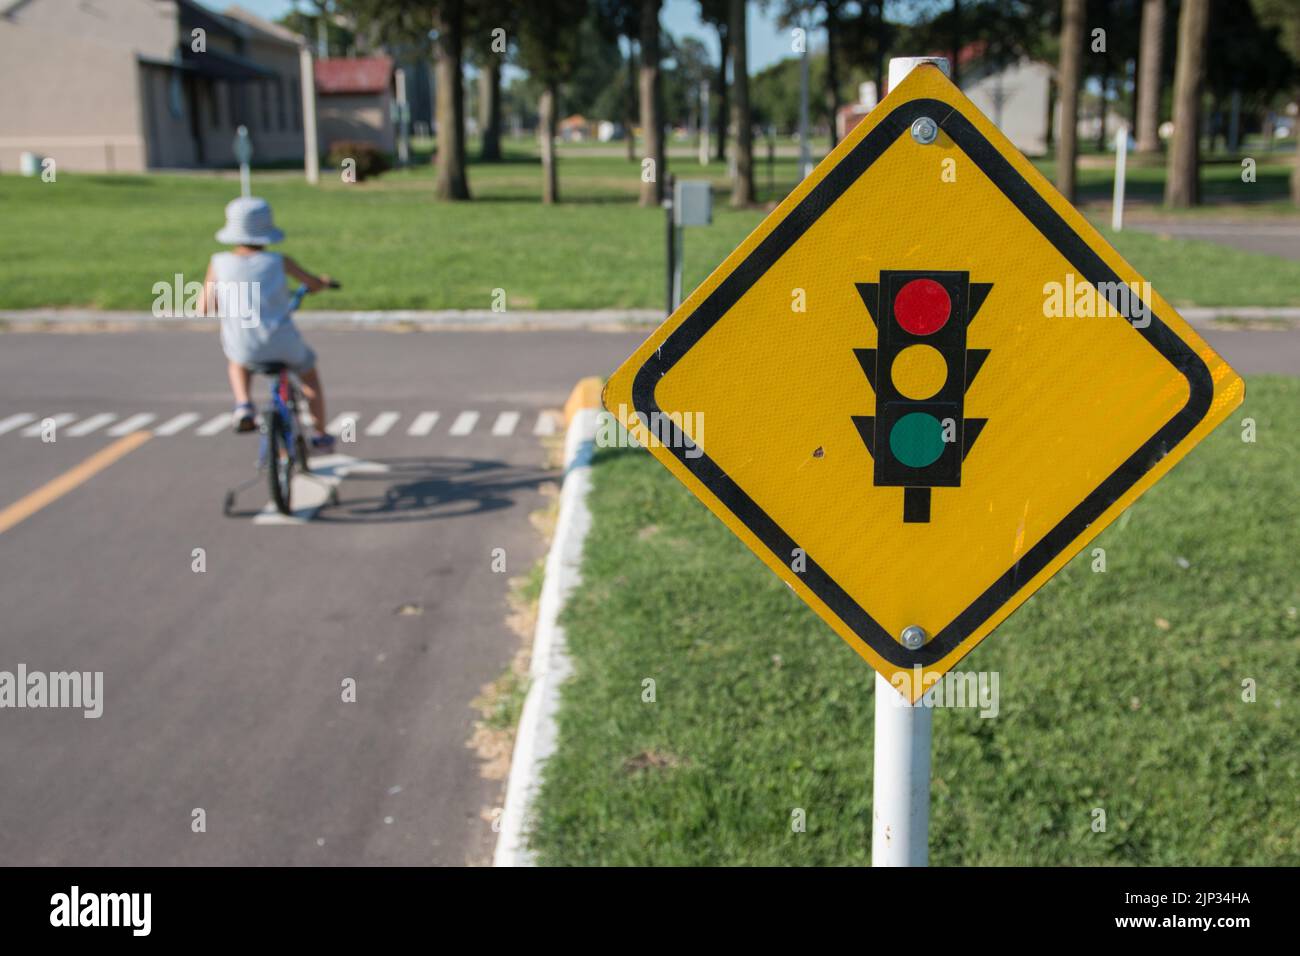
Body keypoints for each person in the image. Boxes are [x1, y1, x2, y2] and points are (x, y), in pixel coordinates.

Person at [202, 196, 336, 448]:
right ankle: (320, 434)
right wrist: (323, 283)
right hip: (282, 340)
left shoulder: (219, 263)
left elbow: (205, 306)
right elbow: (312, 284)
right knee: (309, 375)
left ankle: (243, 404)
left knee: (237, 361)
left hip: (245, 344)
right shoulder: (278, 261)